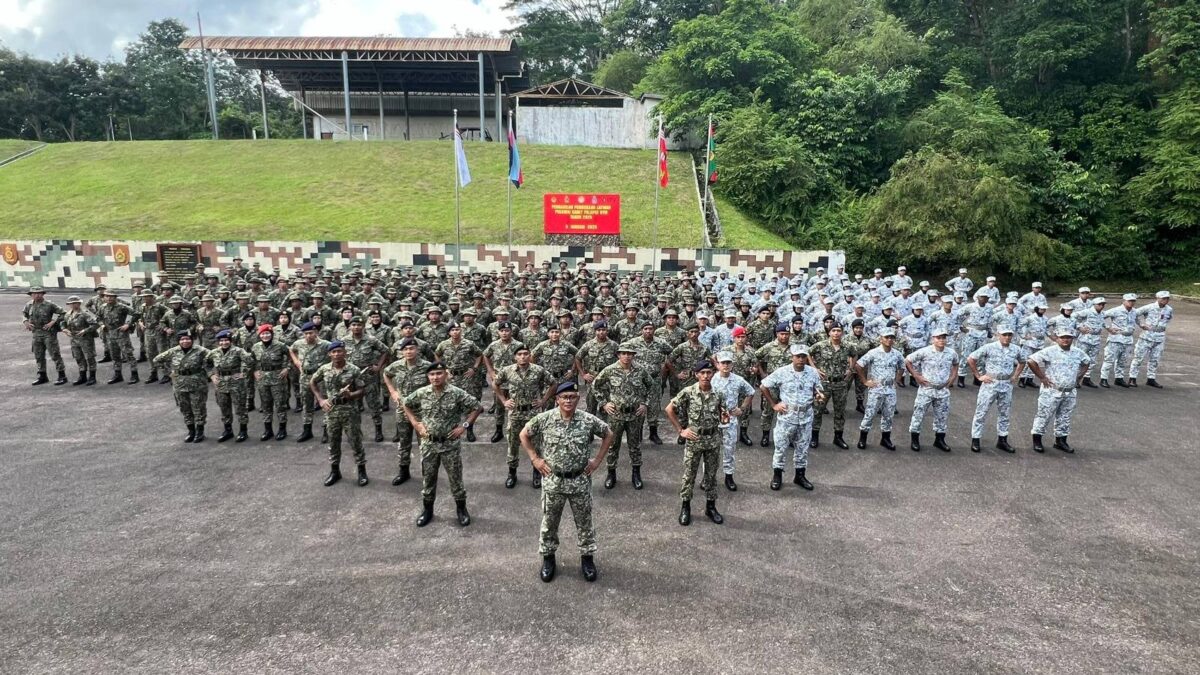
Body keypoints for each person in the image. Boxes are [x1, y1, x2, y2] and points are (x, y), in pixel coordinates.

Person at [520, 382, 614, 583]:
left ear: (578, 399)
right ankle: (548, 559)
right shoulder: (545, 419)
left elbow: (608, 434)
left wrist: (597, 460)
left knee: (584, 522)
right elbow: (524, 434)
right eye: (564, 397)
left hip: (579, 480)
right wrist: (535, 459)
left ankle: (587, 559)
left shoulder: (587, 420)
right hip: (553, 481)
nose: (568, 400)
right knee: (549, 522)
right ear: (557, 399)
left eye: (572, 397)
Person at [403, 362, 484, 528]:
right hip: (429, 444)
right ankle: (427, 510)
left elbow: (477, 407)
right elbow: (406, 404)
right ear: (428, 377)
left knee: (456, 479)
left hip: (450, 445)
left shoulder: (456, 393)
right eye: (432, 374)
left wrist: (464, 426)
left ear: (446, 374)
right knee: (428, 479)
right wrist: (416, 424)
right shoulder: (422, 392)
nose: (435, 377)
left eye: (439, 373)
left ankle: (461, 509)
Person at [665, 360, 729, 526]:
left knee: (711, 476)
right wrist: (681, 430)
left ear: (713, 374)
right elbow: (669, 409)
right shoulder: (688, 392)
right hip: (694, 440)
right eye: (702, 373)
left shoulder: (719, 393)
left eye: (709, 372)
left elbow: (724, 414)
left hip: (713, 441)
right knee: (689, 475)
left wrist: (726, 417)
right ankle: (685, 507)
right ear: (696, 375)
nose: (706, 376)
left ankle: (710, 507)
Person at [760, 344, 825, 491]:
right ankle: (777, 475)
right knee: (781, 447)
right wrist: (774, 404)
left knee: (802, 448)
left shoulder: (812, 372)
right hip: (787, 417)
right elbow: (763, 386)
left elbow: (817, 389)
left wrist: (818, 395)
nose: (801, 359)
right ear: (792, 357)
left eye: (803, 356)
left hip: (806, 417)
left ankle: (800, 476)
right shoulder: (782, 372)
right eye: (798, 356)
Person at [592, 343, 655, 490]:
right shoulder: (610, 370)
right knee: (613, 445)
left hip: (634, 415)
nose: (627, 356)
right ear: (618, 355)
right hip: (616, 415)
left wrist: (645, 404)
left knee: (635, 446)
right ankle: (611, 473)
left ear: (633, 355)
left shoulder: (640, 370)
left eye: (630, 354)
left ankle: (636, 474)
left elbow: (652, 386)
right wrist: (604, 403)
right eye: (624, 353)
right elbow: (595, 385)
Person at [494, 345, 555, 489]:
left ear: (529, 356)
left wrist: (543, 400)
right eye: (520, 354)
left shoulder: (538, 370)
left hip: (533, 413)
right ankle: (512, 473)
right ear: (515, 357)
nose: (523, 357)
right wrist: (504, 400)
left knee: (537, 443)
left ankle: (537, 472)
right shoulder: (507, 370)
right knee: (513, 444)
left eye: (526, 354)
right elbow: (495, 384)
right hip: (515, 413)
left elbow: (553, 383)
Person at [310, 341, 369, 486]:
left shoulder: (353, 370)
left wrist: (351, 395)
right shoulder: (324, 369)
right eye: (334, 352)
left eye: (339, 351)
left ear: (345, 352)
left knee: (355, 441)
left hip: (350, 411)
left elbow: (362, 390)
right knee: (333, 442)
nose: (337, 354)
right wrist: (320, 400)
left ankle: (362, 471)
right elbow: (312, 382)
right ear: (329, 354)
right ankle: (335, 471)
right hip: (332, 411)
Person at [1026, 328, 1091, 453]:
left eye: (1068, 337)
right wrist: (1042, 377)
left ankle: (1061, 441)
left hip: (1069, 391)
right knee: (1044, 415)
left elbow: (1086, 362)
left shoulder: (1078, 352)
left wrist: (1079, 376)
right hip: (1052, 390)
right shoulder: (1050, 351)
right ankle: (1037, 440)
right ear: (1057, 338)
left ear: (1072, 339)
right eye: (1062, 337)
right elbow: (1031, 361)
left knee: (1065, 417)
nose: (1065, 340)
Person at [382, 338, 432, 486]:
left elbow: (436, 381)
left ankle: (427, 473)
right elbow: (386, 374)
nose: (409, 351)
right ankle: (404, 471)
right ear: (402, 352)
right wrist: (392, 391)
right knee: (404, 442)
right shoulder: (397, 366)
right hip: (403, 410)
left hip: (422, 410)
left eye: (411, 348)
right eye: (406, 349)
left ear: (417, 350)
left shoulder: (427, 366)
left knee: (425, 443)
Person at [966, 327, 1023, 453]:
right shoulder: (989, 347)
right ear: (998, 335)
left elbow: (1022, 361)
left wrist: (1015, 376)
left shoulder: (1016, 349)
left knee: (1004, 413)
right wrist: (978, 376)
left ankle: (1002, 440)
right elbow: (971, 358)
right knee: (981, 412)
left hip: (1006, 384)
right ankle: (976, 439)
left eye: (1009, 335)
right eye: (1004, 334)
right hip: (990, 383)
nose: (1007, 337)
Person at [905, 328, 960, 452]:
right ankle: (915, 439)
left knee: (942, 416)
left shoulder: (951, 353)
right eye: (938, 338)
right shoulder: (925, 351)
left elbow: (956, 363)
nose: (941, 340)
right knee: (919, 414)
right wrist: (916, 375)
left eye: (943, 338)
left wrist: (953, 377)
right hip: (927, 389)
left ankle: (939, 440)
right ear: (933, 339)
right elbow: (908, 360)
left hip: (942, 390)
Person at [152, 332, 211, 442]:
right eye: (182, 339)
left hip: (197, 383)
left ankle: (200, 431)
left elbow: (214, 357)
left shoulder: (200, 350)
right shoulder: (174, 351)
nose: (185, 341)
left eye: (187, 339)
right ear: (179, 341)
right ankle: (191, 431)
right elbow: (156, 360)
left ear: (192, 340)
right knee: (185, 407)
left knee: (198, 407)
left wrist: (209, 372)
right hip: (180, 384)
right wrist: (168, 372)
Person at [854, 327, 905, 450]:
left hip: (890, 389)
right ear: (881, 339)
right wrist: (865, 381)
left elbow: (902, 366)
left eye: (892, 337)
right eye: (886, 337)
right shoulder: (873, 353)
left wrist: (897, 380)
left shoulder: (897, 354)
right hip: (876, 388)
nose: (889, 340)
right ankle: (862, 438)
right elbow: (859, 365)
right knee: (870, 414)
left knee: (888, 415)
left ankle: (885, 439)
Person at [711, 352, 755, 491]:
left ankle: (728, 476)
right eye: (723, 363)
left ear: (732, 365)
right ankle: (708, 477)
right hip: (712, 419)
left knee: (729, 449)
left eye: (728, 363)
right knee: (710, 450)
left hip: (730, 419)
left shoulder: (738, 380)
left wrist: (742, 408)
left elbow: (751, 392)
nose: (726, 365)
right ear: (718, 365)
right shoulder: (711, 379)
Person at [807, 324, 855, 449]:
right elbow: (808, 353)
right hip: (824, 383)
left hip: (840, 383)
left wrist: (850, 369)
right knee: (818, 410)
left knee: (840, 411)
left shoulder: (848, 346)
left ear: (842, 333)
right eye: (833, 330)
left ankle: (838, 437)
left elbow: (854, 355)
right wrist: (814, 368)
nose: (836, 333)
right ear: (829, 332)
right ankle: (814, 436)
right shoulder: (820, 345)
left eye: (839, 331)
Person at [343, 315, 390, 442]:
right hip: (352, 378)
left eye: (359, 325)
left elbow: (386, 351)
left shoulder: (371, 340)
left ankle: (378, 430)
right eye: (353, 325)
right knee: (353, 407)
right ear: (349, 327)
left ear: (363, 326)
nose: (356, 327)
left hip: (368, 376)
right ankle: (355, 432)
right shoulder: (344, 341)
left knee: (374, 405)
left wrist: (378, 366)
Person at [207, 329, 252, 443]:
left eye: (226, 340)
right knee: (224, 408)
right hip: (221, 383)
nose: (224, 343)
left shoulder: (238, 351)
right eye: (221, 341)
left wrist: (244, 373)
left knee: (240, 408)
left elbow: (250, 361)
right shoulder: (214, 352)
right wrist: (211, 375)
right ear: (218, 342)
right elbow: (206, 363)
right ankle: (228, 431)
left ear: (230, 341)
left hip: (236, 383)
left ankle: (243, 431)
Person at [289, 322, 331, 443]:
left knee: (325, 404)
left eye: (311, 333)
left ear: (316, 332)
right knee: (306, 404)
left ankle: (326, 431)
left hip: (320, 378)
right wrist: (296, 362)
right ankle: (307, 431)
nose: (308, 336)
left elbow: (336, 354)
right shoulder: (299, 343)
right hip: (305, 377)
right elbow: (291, 350)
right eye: (306, 333)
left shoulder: (325, 344)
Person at [250, 323, 291, 441]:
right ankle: (268, 430)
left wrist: (287, 368)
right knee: (266, 405)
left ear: (272, 334)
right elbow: (251, 360)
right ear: (259, 335)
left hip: (278, 378)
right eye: (263, 334)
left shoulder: (280, 345)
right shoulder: (256, 347)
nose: (265, 336)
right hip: (263, 379)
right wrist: (254, 371)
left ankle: (282, 429)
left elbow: (291, 355)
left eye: (268, 333)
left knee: (280, 405)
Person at [1129, 291, 1172, 388]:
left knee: (1155, 359)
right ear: (1158, 298)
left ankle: (1151, 379)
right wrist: (1141, 324)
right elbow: (1134, 314)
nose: (1166, 300)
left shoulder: (1169, 309)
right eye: (1163, 298)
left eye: (1167, 298)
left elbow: (1168, 319)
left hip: (1160, 337)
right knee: (1138, 358)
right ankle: (1132, 378)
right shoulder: (1149, 307)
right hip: (1147, 336)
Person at [96, 289, 138, 384]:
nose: (109, 298)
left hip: (121, 334)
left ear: (115, 297)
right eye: (107, 296)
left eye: (111, 296)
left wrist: (128, 324)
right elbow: (98, 318)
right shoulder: (102, 307)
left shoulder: (121, 307)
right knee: (114, 356)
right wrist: (102, 325)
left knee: (128, 354)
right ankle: (118, 375)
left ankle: (134, 375)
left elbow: (136, 314)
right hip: (109, 334)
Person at [1100, 294, 1138, 388]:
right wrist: (1108, 327)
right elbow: (1100, 316)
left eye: (1133, 301)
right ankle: (1103, 379)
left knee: (1123, 360)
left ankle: (1119, 378)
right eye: (1129, 301)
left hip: (1128, 339)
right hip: (1116, 339)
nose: (1131, 302)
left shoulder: (1134, 311)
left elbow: (1137, 320)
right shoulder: (1116, 310)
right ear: (1124, 301)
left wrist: (1142, 324)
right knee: (1109, 359)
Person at [61, 295, 98, 385]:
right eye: (71, 303)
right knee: (78, 357)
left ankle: (92, 377)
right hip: (74, 339)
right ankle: (82, 376)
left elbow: (95, 324)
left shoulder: (84, 314)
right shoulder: (68, 314)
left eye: (75, 303)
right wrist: (64, 329)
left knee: (89, 357)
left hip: (85, 339)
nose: (73, 305)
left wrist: (85, 330)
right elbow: (63, 322)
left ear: (79, 303)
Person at [1072, 297, 1106, 388]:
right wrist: (1079, 327)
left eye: (1103, 304)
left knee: (1092, 360)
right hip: (1085, 339)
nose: (1102, 306)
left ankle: (1086, 378)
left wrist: (1109, 328)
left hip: (1096, 339)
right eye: (1099, 304)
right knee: (1080, 359)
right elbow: (1072, 316)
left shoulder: (1102, 314)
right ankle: (1074, 379)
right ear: (1094, 304)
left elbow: (1102, 323)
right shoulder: (1087, 312)